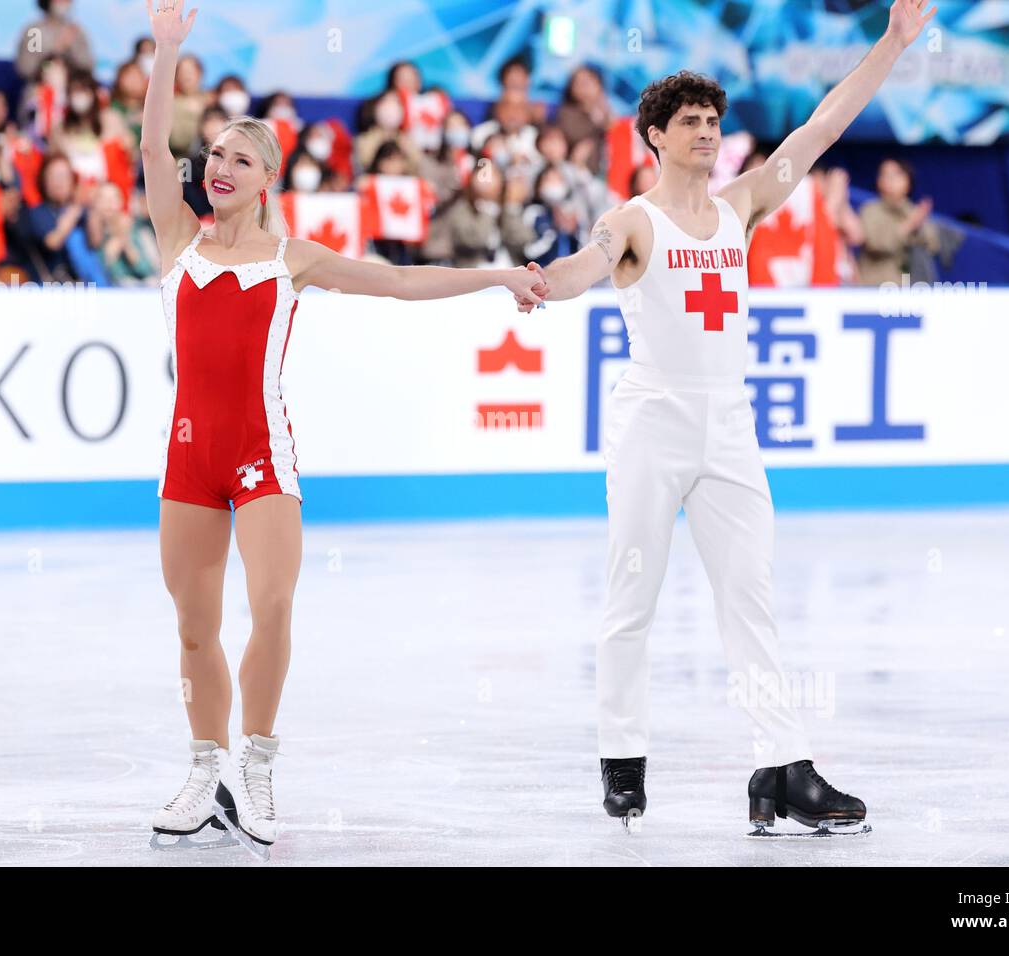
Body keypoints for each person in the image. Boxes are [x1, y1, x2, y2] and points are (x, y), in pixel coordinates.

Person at [516, 0, 937, 835]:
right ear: (657, 137)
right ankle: (622, 757)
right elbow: (582, 268)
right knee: (631, 593)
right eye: (690, 121)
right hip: (652, 422)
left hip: (730, 425)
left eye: (713, 119)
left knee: (752, 595)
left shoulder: (742, 204)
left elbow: (820, 129)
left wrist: (891, 42)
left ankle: (781, 767)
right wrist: (543, 283)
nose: (707, 131)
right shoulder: (634, 220)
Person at [140, 0, 545, 851]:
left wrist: (498, 274)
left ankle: (255, 764)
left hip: (260, 458)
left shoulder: (295, 260)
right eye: (214, 153)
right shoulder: (178, 239)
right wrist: (167, 50)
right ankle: (202, 770)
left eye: (238, 158)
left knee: (276, 603)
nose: (218, 165)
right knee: (192, 626)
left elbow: (399, 282)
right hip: (188, 461)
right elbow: (150, 148)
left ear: (266, 179)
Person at [857, 156, 938, 286]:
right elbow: (877, 243)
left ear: (908, 181)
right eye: (885, 175)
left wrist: (918, 226)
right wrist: (909, 225)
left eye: (896, 175)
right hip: (876, 289)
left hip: (910, 289)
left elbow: (932, 245)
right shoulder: (870, 210)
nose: (889, 180)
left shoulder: (913, 211)